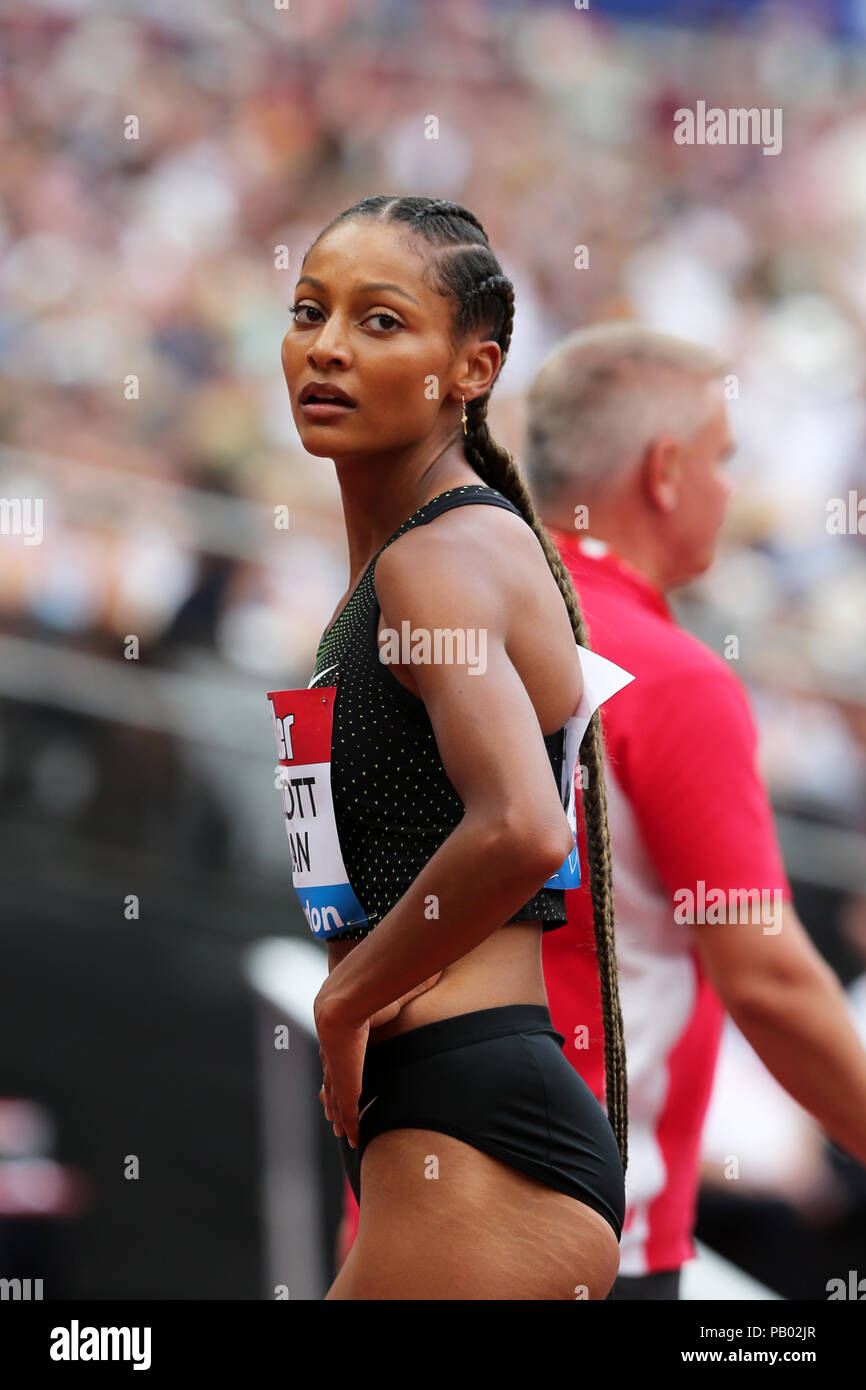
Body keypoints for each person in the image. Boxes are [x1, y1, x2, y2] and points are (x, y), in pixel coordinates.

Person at [270, 195, 633, 1300]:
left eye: (380, 321)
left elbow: (523, 825)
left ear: (469, 370)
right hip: (448, 1116)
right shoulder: (414, 560)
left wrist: (340, 1006)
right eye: (307, 311)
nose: (325, 346)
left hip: (476, 1128)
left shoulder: (441, 557)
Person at [521, 322, 866, 1299]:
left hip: (398, 1224)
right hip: (593, 1246)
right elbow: (767, 982)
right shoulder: (670, 681)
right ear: (663, 472)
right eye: (722, 459)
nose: (732, 490)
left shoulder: (384, 631)